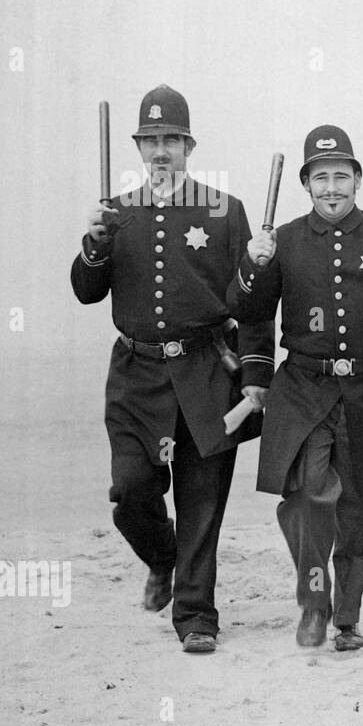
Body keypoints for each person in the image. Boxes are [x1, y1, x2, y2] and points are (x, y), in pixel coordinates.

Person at [71, 84, 273, 654]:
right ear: (138, 147)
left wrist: (257, 376)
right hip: (136, 379)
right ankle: (162, 558)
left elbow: (252, 300)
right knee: (131, 490)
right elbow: (87, 291)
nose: (160, 151)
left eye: (171, 140)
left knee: (202, 502)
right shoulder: (117, 214)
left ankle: (197, 617)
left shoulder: (224, 210)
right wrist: (94, 243)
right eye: (150, 140)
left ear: (189, 145)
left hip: (209, 373)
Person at [228, 125, 363, 650]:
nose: (332, 188)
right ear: (306, 184)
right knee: (305, 500)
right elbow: (249, 315)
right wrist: (252, 267)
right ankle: (314, 603)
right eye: (321, 178)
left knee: (362, 511)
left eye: (342, 175)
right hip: (303, 390)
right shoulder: (282, 242)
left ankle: (347, 618)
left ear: (358, 179)